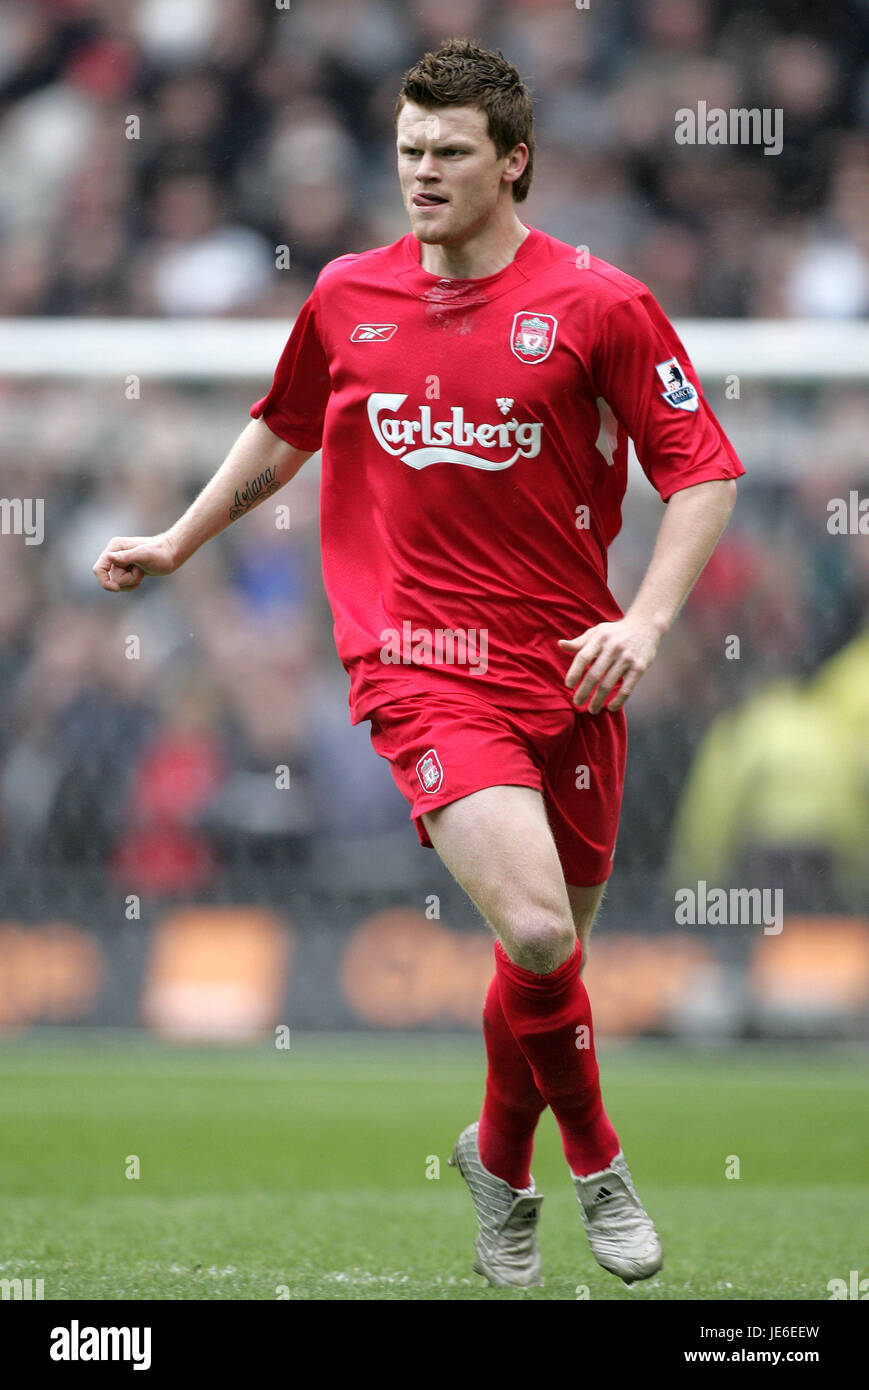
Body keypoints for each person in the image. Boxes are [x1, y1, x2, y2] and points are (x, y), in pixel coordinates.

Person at [93, 38, 744, 1290]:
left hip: (571, 669)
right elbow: (285, 431)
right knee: (545, 930)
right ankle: (598, 1167)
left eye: (448, 152)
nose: (421, 172)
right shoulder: (346, 294)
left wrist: (647, 621)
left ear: (514, 162)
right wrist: (180, 537)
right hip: (417, 664)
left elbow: (702, 467)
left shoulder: (597, 303)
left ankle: (494, 1155)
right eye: (406, 151)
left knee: (540, 956)